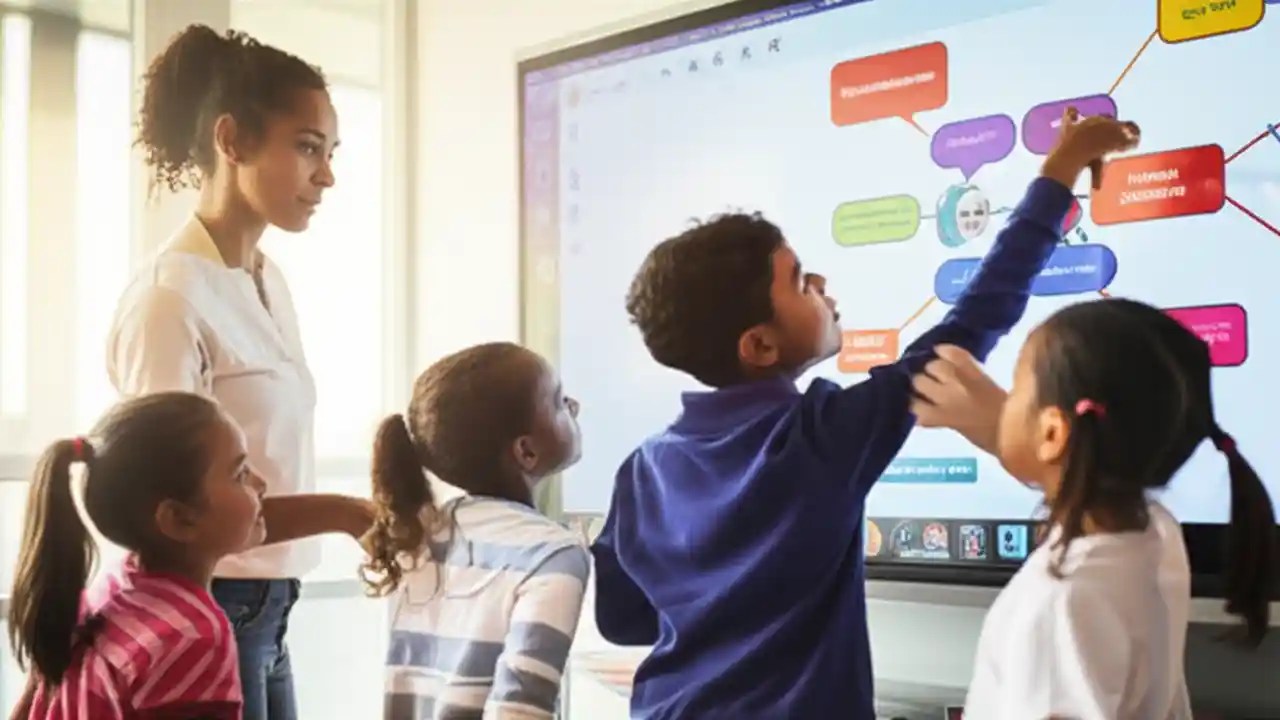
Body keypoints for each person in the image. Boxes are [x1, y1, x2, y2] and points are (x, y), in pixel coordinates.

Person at [590, 108, 1141, 719]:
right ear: (760, 347)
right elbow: (976, 316)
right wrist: (1059, 170)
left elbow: (623, 620)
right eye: (800, 281)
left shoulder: (640, 470)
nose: (821, 280)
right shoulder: (821, 439)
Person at [107, 24, 369, 720]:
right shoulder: (170, 297)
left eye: (331, 152)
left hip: (269, 609)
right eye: (308, 147)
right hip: (210, 608)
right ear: (232, 141)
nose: (327, 175)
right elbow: (175, 511)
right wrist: (348, 514)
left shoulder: (265, 279)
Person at [910, 300, 1277, 720]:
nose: (1004, 402)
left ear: (1053, 433)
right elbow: (1082, 471)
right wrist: (1009, 432)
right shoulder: (1156, 536)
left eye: (1015, 391)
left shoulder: (1058, 603)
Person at [7, 392, 347, 719]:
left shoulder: (116, 585)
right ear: (178, 518)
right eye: (240, 474)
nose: (261, 484)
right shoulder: (193, 635)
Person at [361, 343, 590, 720]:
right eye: (558, 400)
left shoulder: (423, 532)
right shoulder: (553, 555)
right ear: (526, 451)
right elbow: (520, 708)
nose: (573, 406)